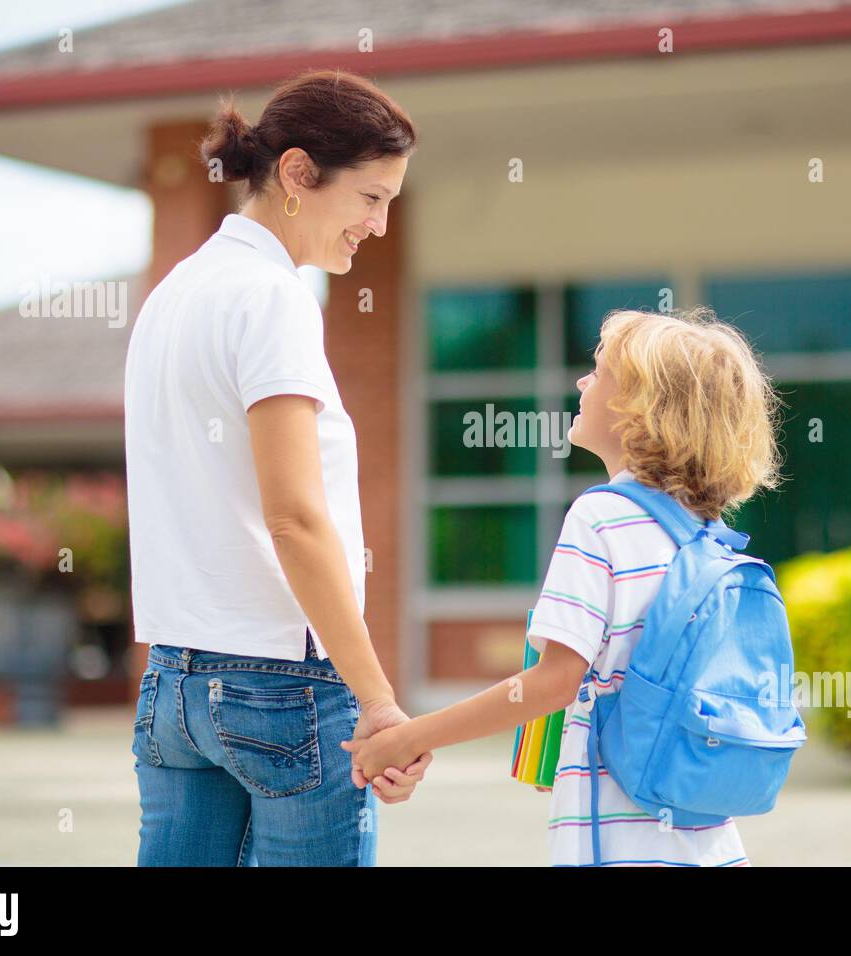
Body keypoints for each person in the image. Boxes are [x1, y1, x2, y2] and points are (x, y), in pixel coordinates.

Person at [343, 306, 783, 866]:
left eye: (598, 372)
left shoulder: (600, 516)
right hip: (709, 843)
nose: (580, 382)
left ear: (639, 408)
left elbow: (554, 681)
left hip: (620, 847)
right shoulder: (706, 532)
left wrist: (411, 737)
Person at [124, 70, 429, 867]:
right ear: (297, 173)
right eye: (371, 197)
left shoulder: (173, 294)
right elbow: (293, 518)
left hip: (173, 684)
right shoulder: (273, 297)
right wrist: (377, 700)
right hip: (282, 685)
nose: (380, 225)